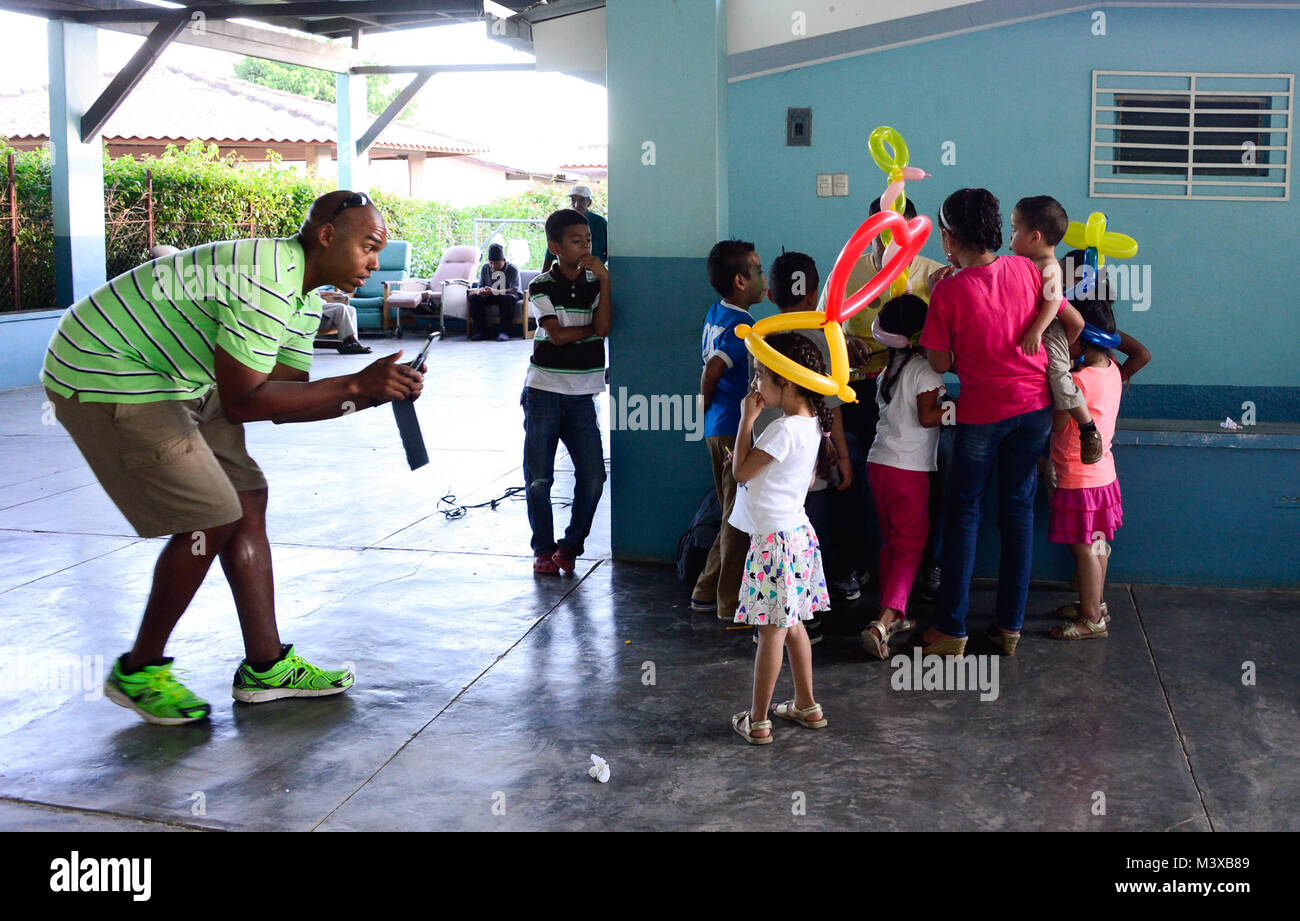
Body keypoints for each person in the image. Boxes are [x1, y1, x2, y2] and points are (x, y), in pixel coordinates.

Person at [40, 189, 425, 725]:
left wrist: (369, 392)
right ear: (327, 236)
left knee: (246, 498)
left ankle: (266, 667)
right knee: (210, 515)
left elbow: (281, 402)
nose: (374, 262)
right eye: (368, 245)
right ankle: (138, 669)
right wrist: (358, 382)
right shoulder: (266, 277)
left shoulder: (305, 298)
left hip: (178, 375)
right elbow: (246, 400)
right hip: (106, 368)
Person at [917, 188, 1085, 657]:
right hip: (1033, 412)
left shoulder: (948, 289)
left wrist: (941, 301)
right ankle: (1009, 627)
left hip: (982, 416)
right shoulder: (1027, 269)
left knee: (964, 514)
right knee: (1017, 514)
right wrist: (1055, 362)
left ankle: (951, 628)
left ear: (949, 239)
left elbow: (937, 362)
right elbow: (1072, 322)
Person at [817, 195, 953, 598]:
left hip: (919, 395)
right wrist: (844, 341)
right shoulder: (846, 273)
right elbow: (822, 329)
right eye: (883, 239)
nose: (893, 248)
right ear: (869, 235)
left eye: (904, 239)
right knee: (848, 469)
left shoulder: (936, 277)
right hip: (861, 393)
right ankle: (857, 563)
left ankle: (929, 563)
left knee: (941, 468)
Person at [729, 333, 833, 744]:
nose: (756, 386)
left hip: (774, 543)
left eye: (761, 377)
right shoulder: (811, 425)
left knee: (771, 630)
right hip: (797, 535)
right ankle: (807, 704)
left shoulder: (781, 429)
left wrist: (745, 421)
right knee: (792, 626)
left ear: (786, 382)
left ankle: (757, 720)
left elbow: (740, 471)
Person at [750, 251, 852, 645]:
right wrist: (841, 455)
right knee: (809, 532)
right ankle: (804, 617)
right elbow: (835, 406)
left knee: (771, 542)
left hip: (769, 462)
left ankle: (776, 617)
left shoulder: (761, 336)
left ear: (772, 293)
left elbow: (754, 398)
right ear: (814, 294)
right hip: (808, 461)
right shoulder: (825, 333)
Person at [523, 209, 611, 574]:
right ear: (555, 246)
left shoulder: (596, 283)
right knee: (539, 478)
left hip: (582, 395)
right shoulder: (541, 285)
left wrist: (605, 281)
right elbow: (556, 336)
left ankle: (570, 546)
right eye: (577, 241)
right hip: (543, 389)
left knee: (593, 477)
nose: (585, 246)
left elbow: (604, 327)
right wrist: (590, 329)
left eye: (588, 240)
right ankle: (543, 549)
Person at [861, 294, 945, 659]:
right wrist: (960, 409)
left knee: (892, 543)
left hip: (879, 463)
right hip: (908, 470)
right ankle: (883, 622)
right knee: (911, 546)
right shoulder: (924, 371)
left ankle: (895, 611)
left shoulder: (888, 370)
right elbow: (928, 417)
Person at [694, 240, 766, 621]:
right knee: (736, 519)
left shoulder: (716, 311)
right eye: (758, 270)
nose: (764, 277)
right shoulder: (743, 327)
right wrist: (705, 405)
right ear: (740, 281)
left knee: (731, 514)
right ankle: (725, 603)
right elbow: (714, 369)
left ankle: (706, 590)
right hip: (729, 429)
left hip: (716, 428)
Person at [1047, 297, 1125, 640]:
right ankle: (1096, 604)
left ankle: (1092, 619)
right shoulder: (1112, 370)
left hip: (1079, 477)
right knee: (1098, 544)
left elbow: (1059, 420)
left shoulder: (1078, 382)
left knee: (1084, 548)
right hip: (1103, 474)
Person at [1010, 196, 1101, 463]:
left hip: (1050, 331)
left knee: (1060, 377)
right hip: (1042, 328)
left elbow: (1053, 302)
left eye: (1015, 231)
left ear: (1035, 237)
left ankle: (1088, 428)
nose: (1010, 238)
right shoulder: (1031, 264)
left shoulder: (1048, 267)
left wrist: (1037, 331)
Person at [542, 184, 606, 271]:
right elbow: (550, 253)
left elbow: (609, 250)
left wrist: (599, 267)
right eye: (573, 200)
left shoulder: (599, 222)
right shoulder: (562, 221)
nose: (576, 204)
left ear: (589, 203)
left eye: (581, 200)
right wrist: (542, 275)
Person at [469, 243, 523, 341]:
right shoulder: (485, 268)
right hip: (491, 295)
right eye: (491, 263)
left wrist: (494, 291)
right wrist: (481, 291)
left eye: (497, 263)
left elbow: (515, 290)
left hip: (507, 295)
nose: (493, 266)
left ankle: (505, 332)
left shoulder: (512, 269)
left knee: (508, 299)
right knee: (474, 298)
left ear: (504, 261)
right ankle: (482, 332)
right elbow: (480, 286)